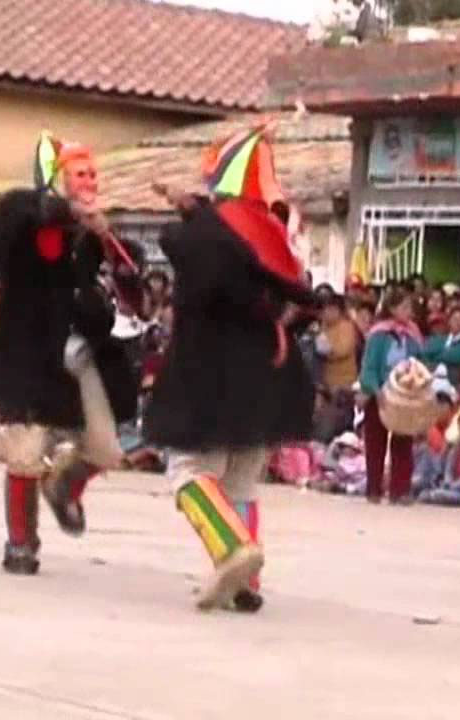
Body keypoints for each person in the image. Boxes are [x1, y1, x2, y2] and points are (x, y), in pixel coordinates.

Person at [144, 121, 316, 613]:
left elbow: (182, 242)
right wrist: (199, 209)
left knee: (190, 469)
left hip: (211, 371)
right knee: (241, 481)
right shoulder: (277, 229)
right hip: (268, 370)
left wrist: (191, 212)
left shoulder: (207, 235)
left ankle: (231, 549)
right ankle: (247, 585)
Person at [0, 134, 145, 575]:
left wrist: (113, 247)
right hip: (26, 350)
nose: (90, 181)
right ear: (57, 179)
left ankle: (64, 486)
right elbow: (2, 227)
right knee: (25, 449)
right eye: (79, 174)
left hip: (81, 351)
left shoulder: (95, 232)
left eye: (93, 173)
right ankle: (21, 543)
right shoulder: (19, 214)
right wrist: (67, 212)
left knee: (107, 449)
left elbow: (135, 291)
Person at [357, 289, 424, 504]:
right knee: (375, 443)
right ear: (392, 308)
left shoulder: (413, 334)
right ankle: (374, 488)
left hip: (405, 395)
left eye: (410, 308)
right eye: (404, 307)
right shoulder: (378, 334)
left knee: (403, 441)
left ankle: (400, 490)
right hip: (381, 392)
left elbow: (419, 363)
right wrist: (376, 391)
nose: (408, 312)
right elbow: (369, 366)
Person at [411, 392, 456, 494]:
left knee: (424, 449)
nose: (439, 411)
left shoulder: (457, 423)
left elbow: (441, 449)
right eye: (436, 408)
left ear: (450, 408)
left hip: (443, 469)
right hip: (427, 467)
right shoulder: (430, 425)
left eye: (442, 407)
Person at [316, 294, 360, 391]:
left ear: (337, 310)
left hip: (344, 381)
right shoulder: (324, 327)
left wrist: (327, 351)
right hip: (327, 380)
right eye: (324, 310)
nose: (324, 313)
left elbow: (342, 350)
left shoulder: (346, 326)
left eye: (328, 310)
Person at [421, 306, 460, 380]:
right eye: (454, 318)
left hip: (454, 379)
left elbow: (458, 357)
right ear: (449, 320)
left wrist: (437, 357)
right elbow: (425, 355)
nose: (457, 322)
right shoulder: (439, 338)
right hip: (432, 376)